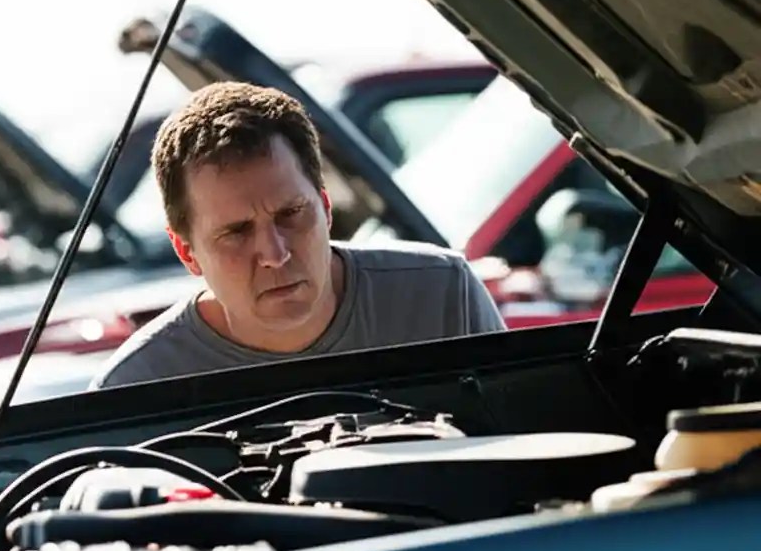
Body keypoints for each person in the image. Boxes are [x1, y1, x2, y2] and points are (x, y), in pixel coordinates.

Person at [88, 81, 506, 390]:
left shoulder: (441, 296)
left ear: (325, 208)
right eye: (236, 232)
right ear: (187, 252)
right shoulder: (136, 387)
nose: (274, 252)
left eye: (290, 214)